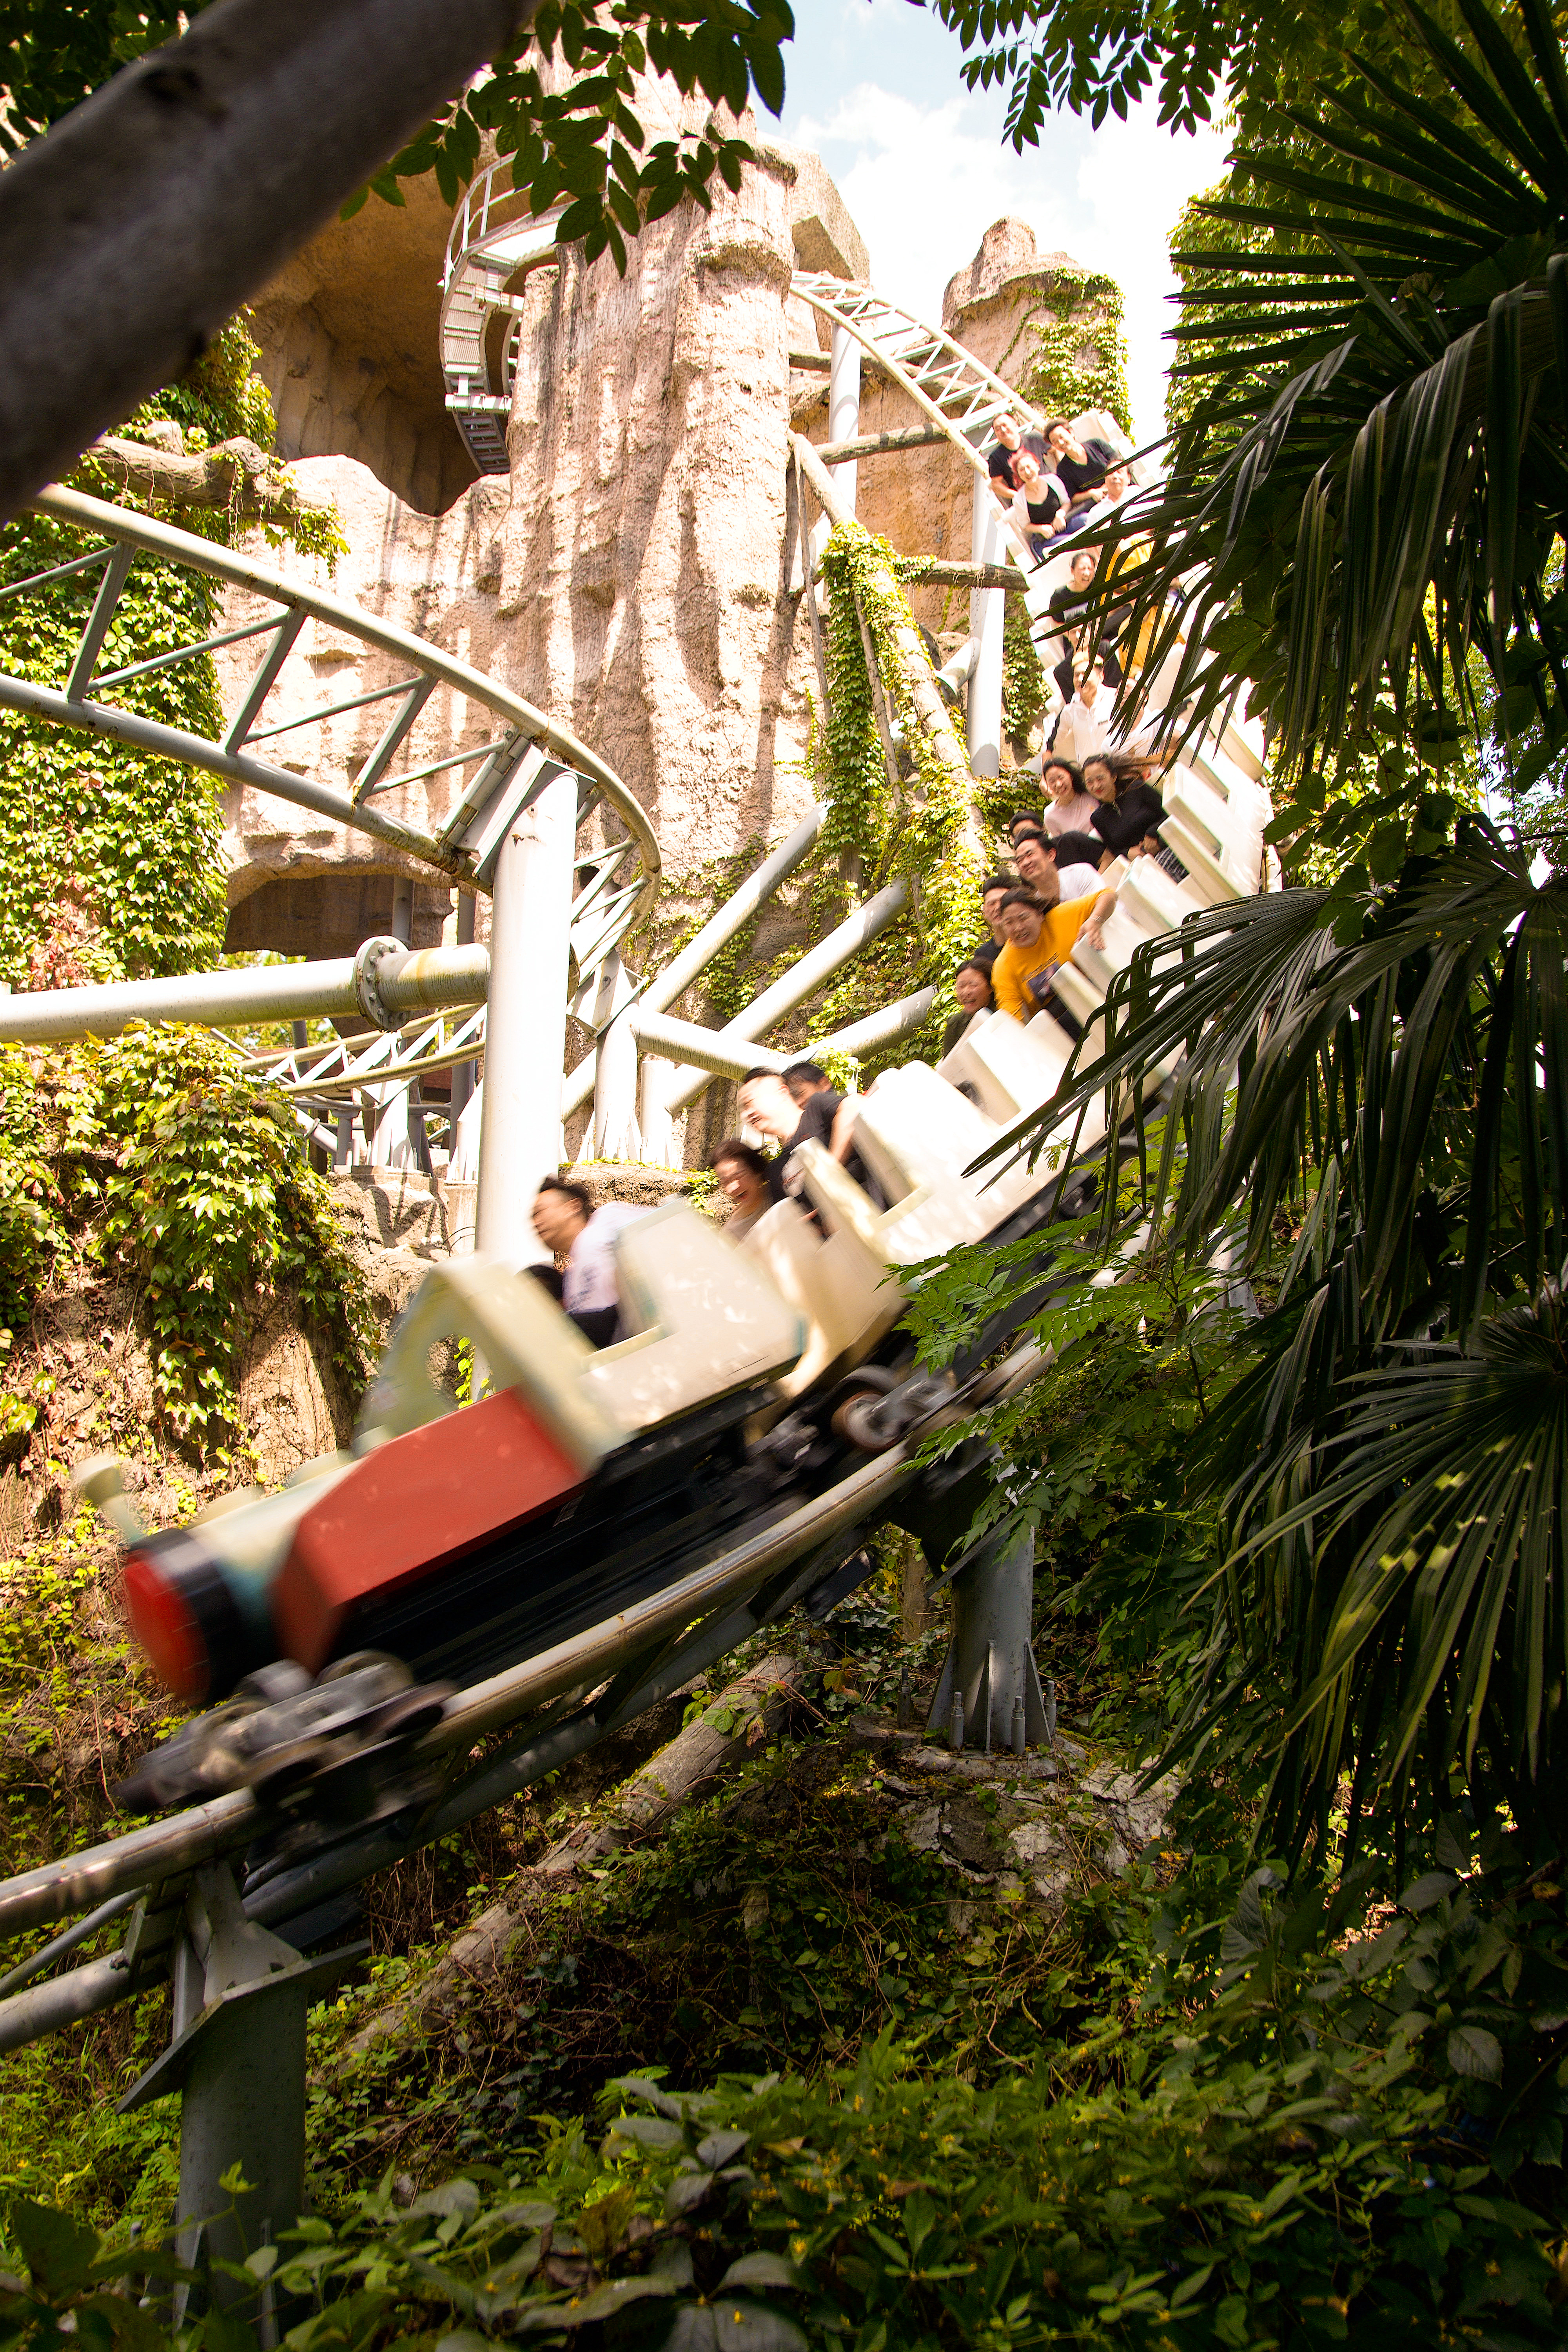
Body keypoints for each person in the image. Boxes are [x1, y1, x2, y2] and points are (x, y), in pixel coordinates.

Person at [530, 1176, 648, 1348]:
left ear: (572, 1207)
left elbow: (666, 1228)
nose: (536, 1223)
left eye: (541, 1212)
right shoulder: (570, 1280)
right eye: (533, 1217)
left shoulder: (606, 1219)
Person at [990, 881, 1116, 1033]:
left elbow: (1108, 894)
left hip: (1103, 992)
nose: (1018, 928)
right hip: (1064, 1026)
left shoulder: (1060, 916)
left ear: (1040, 915)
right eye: (1009, 923)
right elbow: (1013, 1024)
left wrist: (1094, 921)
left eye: (1023, 918)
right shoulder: (1003, 967)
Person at [1082, 751, 1167, 860]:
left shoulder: (1137, 788)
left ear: (1113, 777)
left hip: (1167, 844)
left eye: (1100, 779)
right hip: (1143, 863)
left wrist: (1152, 833)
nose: (1096, 786)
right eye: (1090, 782)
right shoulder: (1098, 818)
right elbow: (1115, 850)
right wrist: (1127, 852)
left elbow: (1169, 811)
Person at [1013, 824, 1102, 906]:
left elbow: (1103, 901)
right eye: (1020, 861)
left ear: (1051, 855)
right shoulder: (1035, 906)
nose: (1026, 863)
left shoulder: (1080, 874)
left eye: (1030, 855)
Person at [1004, 448, 1069, 562]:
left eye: (1029, 467)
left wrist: (1060, 514)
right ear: (1019, 475)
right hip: (1045, 539)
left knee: (1085, 520)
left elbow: (1067, 503)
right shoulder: (1019, 499)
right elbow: (1025, 525)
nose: (1027, 472)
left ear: (1038, 466)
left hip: (1064, 524)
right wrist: (1041, 529)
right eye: (1022, 470)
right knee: (1067, 542)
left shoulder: (1053, 480)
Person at [1048, 654, 1113, 766]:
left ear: (1101, 676)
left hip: (1118, 768)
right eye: (1076, 675)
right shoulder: (1070, 711)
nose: (1080, 679)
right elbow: (1049, 746)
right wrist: (1046, 777)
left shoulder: (1115, 699)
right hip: (1091, 778)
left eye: (1086, 673)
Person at [1044, 418, 1118, 512]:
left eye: (1061, 437)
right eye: (1055, 442)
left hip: (1120, 487)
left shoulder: (1097, 444)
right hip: (1101, 504)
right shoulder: (1062, 469)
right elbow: (1072, 496)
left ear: (1071, 432)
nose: (1061, 443)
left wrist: (1109, 483)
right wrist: (1091, 493)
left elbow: (1116, 461)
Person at [712, 1138, 778, 1243]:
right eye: (726, 1182)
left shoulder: (782, 1191)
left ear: (755, 1169)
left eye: (739, 1176)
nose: (733, 1188)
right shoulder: (732, 1234)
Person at [985, 412, 1047, 502]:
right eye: (998, 429)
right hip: (1027, 500)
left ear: (1015, 424)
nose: (1003, 430)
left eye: (1005, 425)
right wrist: (1019, 496)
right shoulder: (995, 458)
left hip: (1049, 486)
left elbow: (1056, 450)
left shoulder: (1035, 438)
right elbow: (996, 485)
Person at [941, 959, 996, 1058]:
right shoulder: (955, 1025)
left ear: (990, 987)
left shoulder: (1003, 1012)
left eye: (973, 985)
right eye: (961, 986)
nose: (966, 992)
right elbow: (950, 1065)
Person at [1039, 758, 1100, 842]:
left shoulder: (1091, 795)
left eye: (1061, 777)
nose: (1059, 784)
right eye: (1052, 781)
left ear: (1071, 776)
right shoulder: (1050, 818)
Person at [974, 873, 1015, 973]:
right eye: (992, 904)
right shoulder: (983, 956)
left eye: (1003, 901)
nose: (998, 908)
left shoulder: (1029, 939)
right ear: (984, 912)